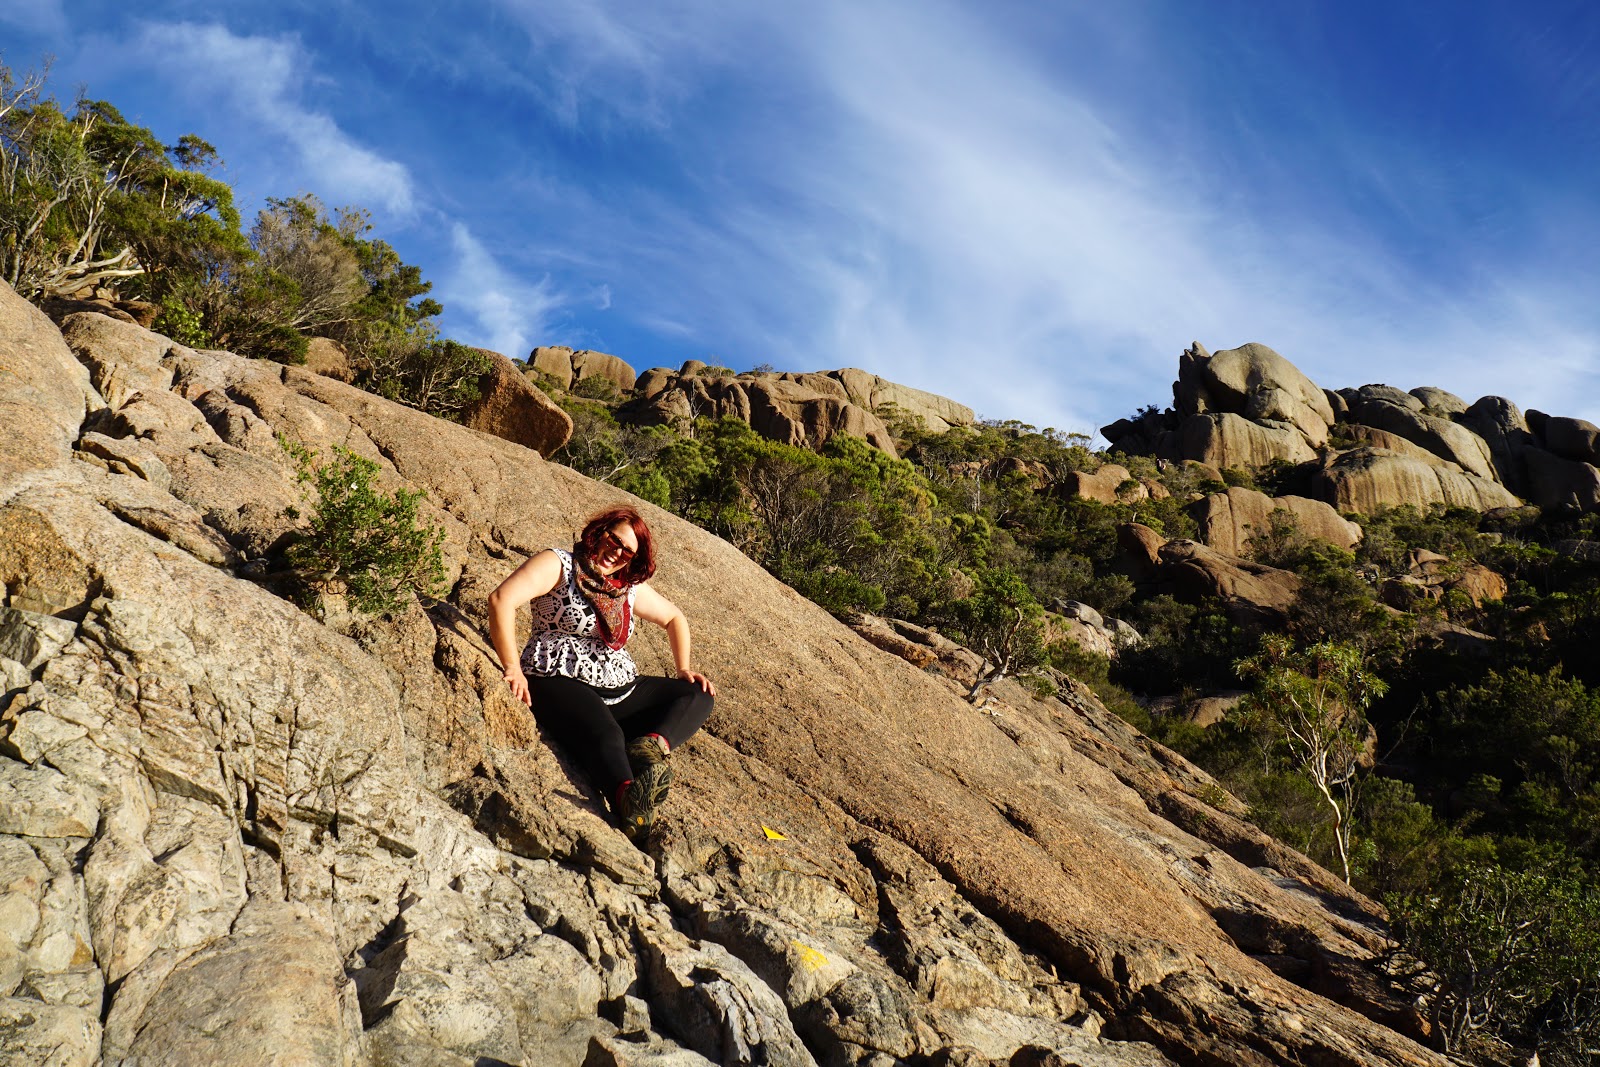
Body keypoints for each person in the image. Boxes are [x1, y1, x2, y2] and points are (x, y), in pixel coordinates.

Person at [488, 506, 715, 838]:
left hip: (618, 685)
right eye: (615, 540)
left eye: (628, 552)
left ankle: (648, 748)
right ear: (599, 532)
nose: (617, 553)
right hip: (557, 677)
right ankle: (629, 804)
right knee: (607, 735)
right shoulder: (559, 564)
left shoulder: (626, 588)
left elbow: (674, 618)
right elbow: (501, 600)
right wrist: (512, 667)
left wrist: (683, 668)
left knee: (697, 695)